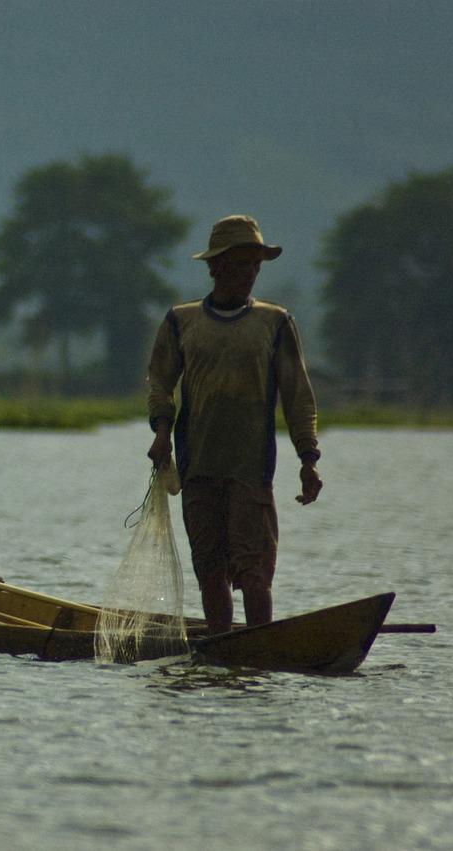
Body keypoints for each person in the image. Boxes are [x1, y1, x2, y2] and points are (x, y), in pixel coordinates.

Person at [146, 214, 322, 636]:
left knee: (255, 570)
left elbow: (298, 396)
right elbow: (160, 383)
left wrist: (308, 458)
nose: (249, 274)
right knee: (210, 569)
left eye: (255, 265)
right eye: (240, 264)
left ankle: (259, 645)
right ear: (215, 266)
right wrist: (162, 434)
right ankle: (222, 647)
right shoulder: (182, 322)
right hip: (198, 467)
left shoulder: (274, 324)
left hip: (250, 470)